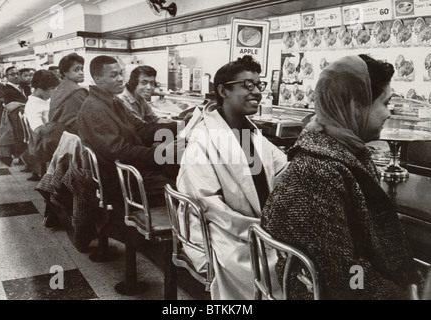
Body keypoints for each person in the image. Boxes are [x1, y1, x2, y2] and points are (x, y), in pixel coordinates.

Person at [261, 54, 423, 300]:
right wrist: (402, 294)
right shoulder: (317, 174)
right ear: (356, 106)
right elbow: (344, 278)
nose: (388, 113)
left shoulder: (344, 153)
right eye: (384, 103)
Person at [176, 55, 288, 300]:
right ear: (223, 91)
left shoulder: (252, 133)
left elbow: (285, 173)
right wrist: (264, 230)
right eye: (247, 85)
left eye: (259, 85)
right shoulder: (202, 140)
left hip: (258, 230)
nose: (257, 92)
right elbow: (208, 206)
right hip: (224, 235)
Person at [77, 55, 178, 216]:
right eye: (113, 75)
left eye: (121, 74)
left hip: (129, 170)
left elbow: (144, 130)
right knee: (181, 186)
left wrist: (180, 127)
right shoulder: (93, 109)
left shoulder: (114, 102)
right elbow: (119, 151)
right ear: (98, 79)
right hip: (119, 178)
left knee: (177, 170)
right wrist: (162, 153)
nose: (120, 79)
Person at [24, 70, 60, 181]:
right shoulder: (33, 105)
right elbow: (38, 130)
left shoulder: (45, 99)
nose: (54, 92)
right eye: (51, 89)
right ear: (40, 89)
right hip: (44, 143)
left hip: (50, 137)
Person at [49, 53, 88, 135]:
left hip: (57, 136)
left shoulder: (59, 88)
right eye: (76, 70)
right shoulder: (77, 91)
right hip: (73, 137)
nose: (81, 73)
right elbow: (87, 119)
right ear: (65, 72)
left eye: (82, 69)